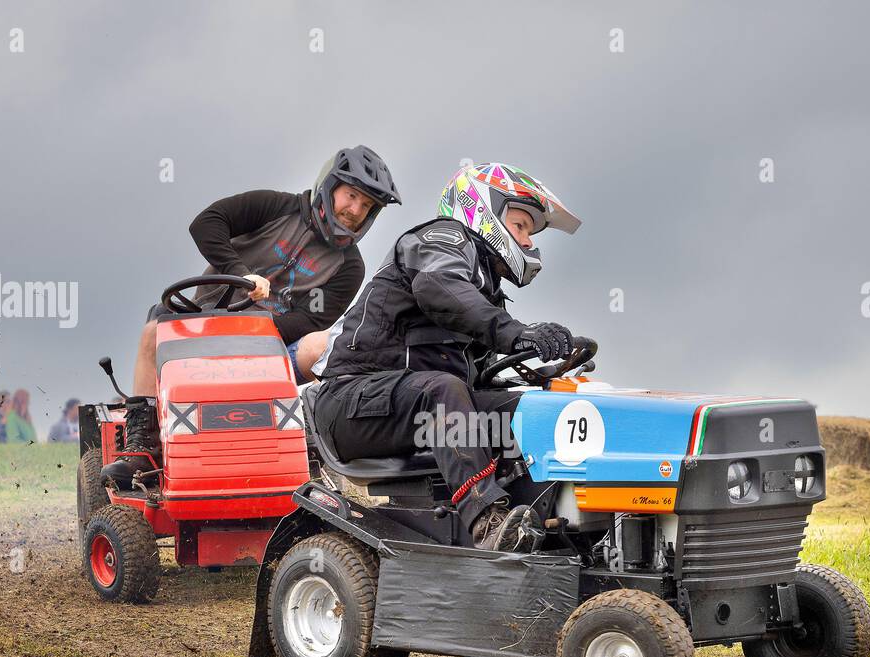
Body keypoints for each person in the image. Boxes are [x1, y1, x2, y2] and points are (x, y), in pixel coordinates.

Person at [310, 162, 581, 550]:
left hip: (404, 406)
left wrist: (544, 370)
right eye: (520, 226)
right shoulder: (442, 240)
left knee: (528, 407)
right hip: (349, 401)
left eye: (529, 232)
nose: (526, 241)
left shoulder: (485, 287)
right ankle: (488, 524)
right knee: (443, 389)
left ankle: (550, 526)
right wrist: (518, 334)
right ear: (483, 209)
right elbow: (440, 287)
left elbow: (481, 371)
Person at [103, 146, 401, 489]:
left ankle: (315, 449)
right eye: (351, 196)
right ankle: (142, 446)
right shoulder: (275, 206)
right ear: (329, 185)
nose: (355, 211)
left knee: (326, 345)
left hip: (270, 353)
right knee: (155, 329)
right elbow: (206, 223)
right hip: (202, 330)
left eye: (366, 206)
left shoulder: (350, 268)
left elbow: (309, 322)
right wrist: (241, 274)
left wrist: (253, 333)